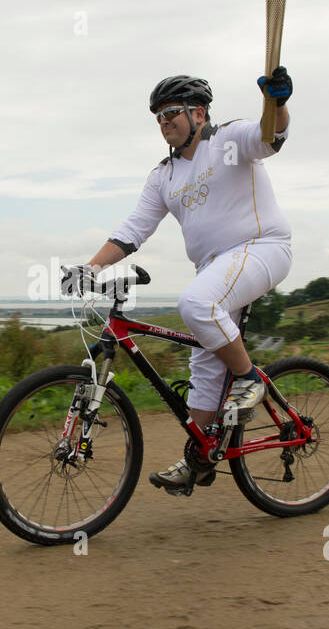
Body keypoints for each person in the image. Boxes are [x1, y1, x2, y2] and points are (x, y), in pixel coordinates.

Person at [61, 69, 294, 493]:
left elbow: (269, 138)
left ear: (199, 113)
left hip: (262, 248)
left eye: (171, 113)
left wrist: (277, 105)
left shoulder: (229, 139)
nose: (164, 122)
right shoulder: (163, 176)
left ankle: (250, 381)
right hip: (215, 270)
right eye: (158, 117)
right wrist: (91, 268)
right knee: (204, 365)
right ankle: (201, 458)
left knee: (196, 304)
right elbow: (134, 228)